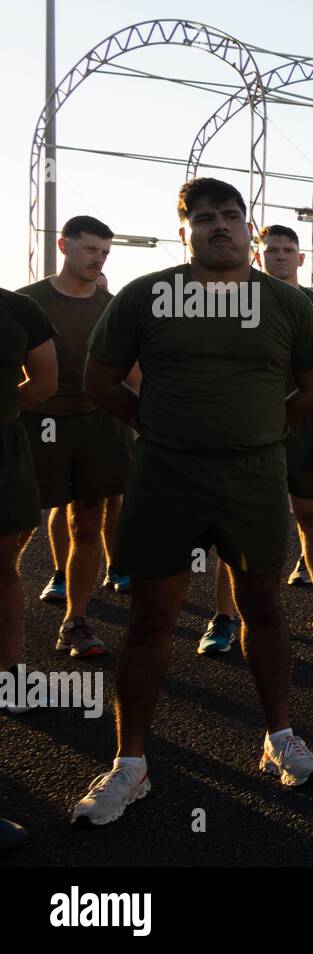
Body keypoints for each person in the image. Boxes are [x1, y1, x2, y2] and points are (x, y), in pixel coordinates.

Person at [70, 177, 313, 826]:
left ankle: (279, 739)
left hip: (253, 480)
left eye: (231, 216)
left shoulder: (288, 305)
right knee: (152, 616)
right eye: (205, 217)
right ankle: (130, 765)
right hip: (165, 478)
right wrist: (156, 427)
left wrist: (263, 432)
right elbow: (98, 381)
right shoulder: (148, 296)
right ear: (183, 229)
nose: (220, 226)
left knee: (263, 605)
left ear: (250, 227)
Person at [199, 224, 313, 654]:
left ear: (302, 259)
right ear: (258, 255)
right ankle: (224, 618)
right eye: (273, 249)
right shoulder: (233, 302)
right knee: (236, 529)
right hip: (248, 433)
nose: (281, 256)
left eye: (289, 250)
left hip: (306, 431)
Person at [17, 216, 134, 657]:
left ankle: (75, 621)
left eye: (104, 252)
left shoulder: (114, 307)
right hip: (37, 423)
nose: (98, 259)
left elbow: (134, 372)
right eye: (90, 250)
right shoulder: (27, 303)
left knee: (88, 522)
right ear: (64, 246)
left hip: (98, 424)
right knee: (16, 528)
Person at [0, 286, 57, 851]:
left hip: (4, 455)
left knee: (4, 574)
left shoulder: (17, 309)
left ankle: (10, 674)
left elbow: (42, 379)